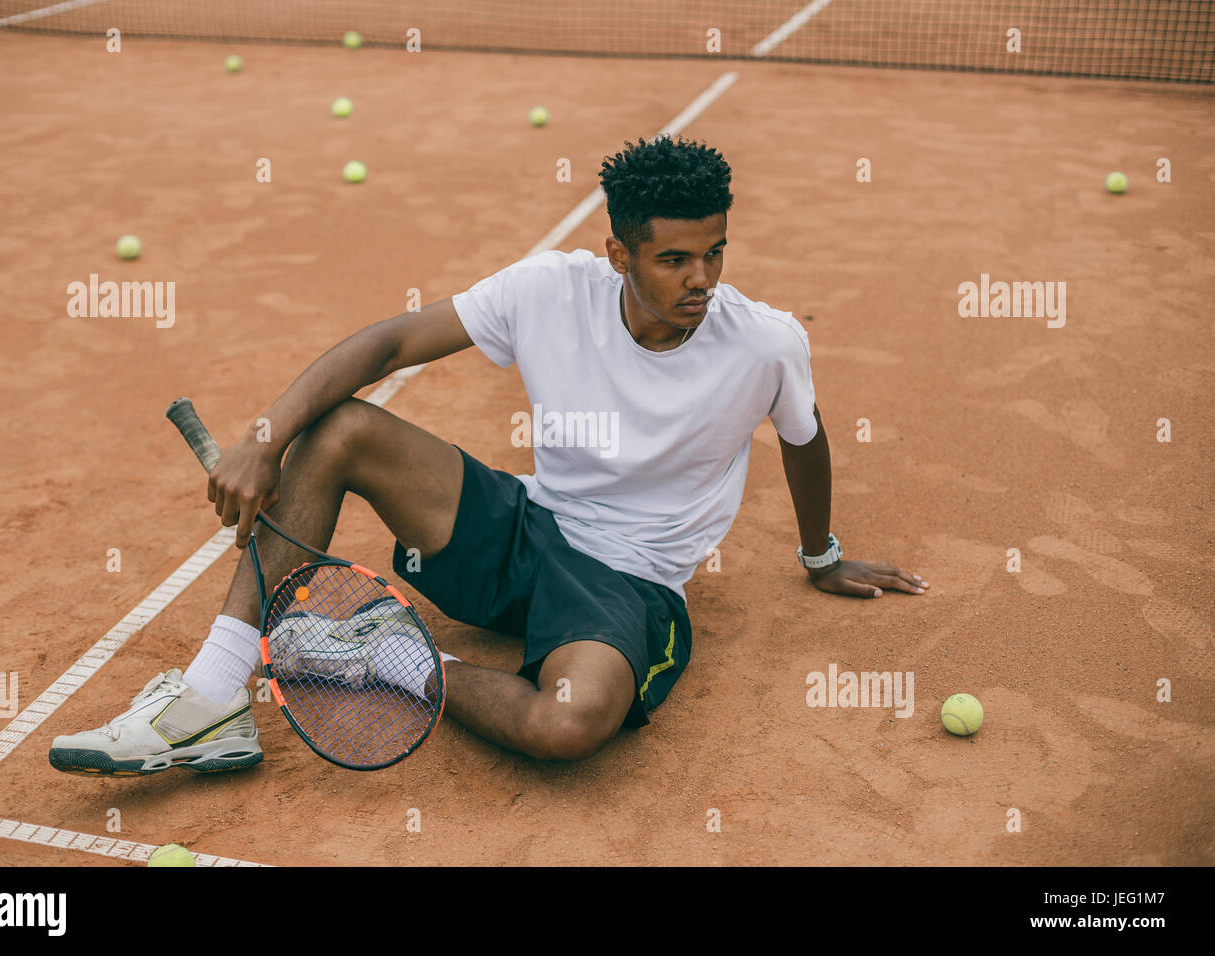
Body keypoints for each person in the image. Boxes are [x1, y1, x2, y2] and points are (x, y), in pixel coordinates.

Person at [49, 135, 927, 776]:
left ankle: (379, 659)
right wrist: (264, 437)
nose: (701, 280)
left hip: (628, 580)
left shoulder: (765, 343)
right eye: (673, 259)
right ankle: (213, 696)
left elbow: (806, 443)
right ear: (617, 253)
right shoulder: (550, 289)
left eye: (715, 252)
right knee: (342, 428)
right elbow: (394, 341)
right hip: (526, 527)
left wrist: (821, 556)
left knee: (567, 728)